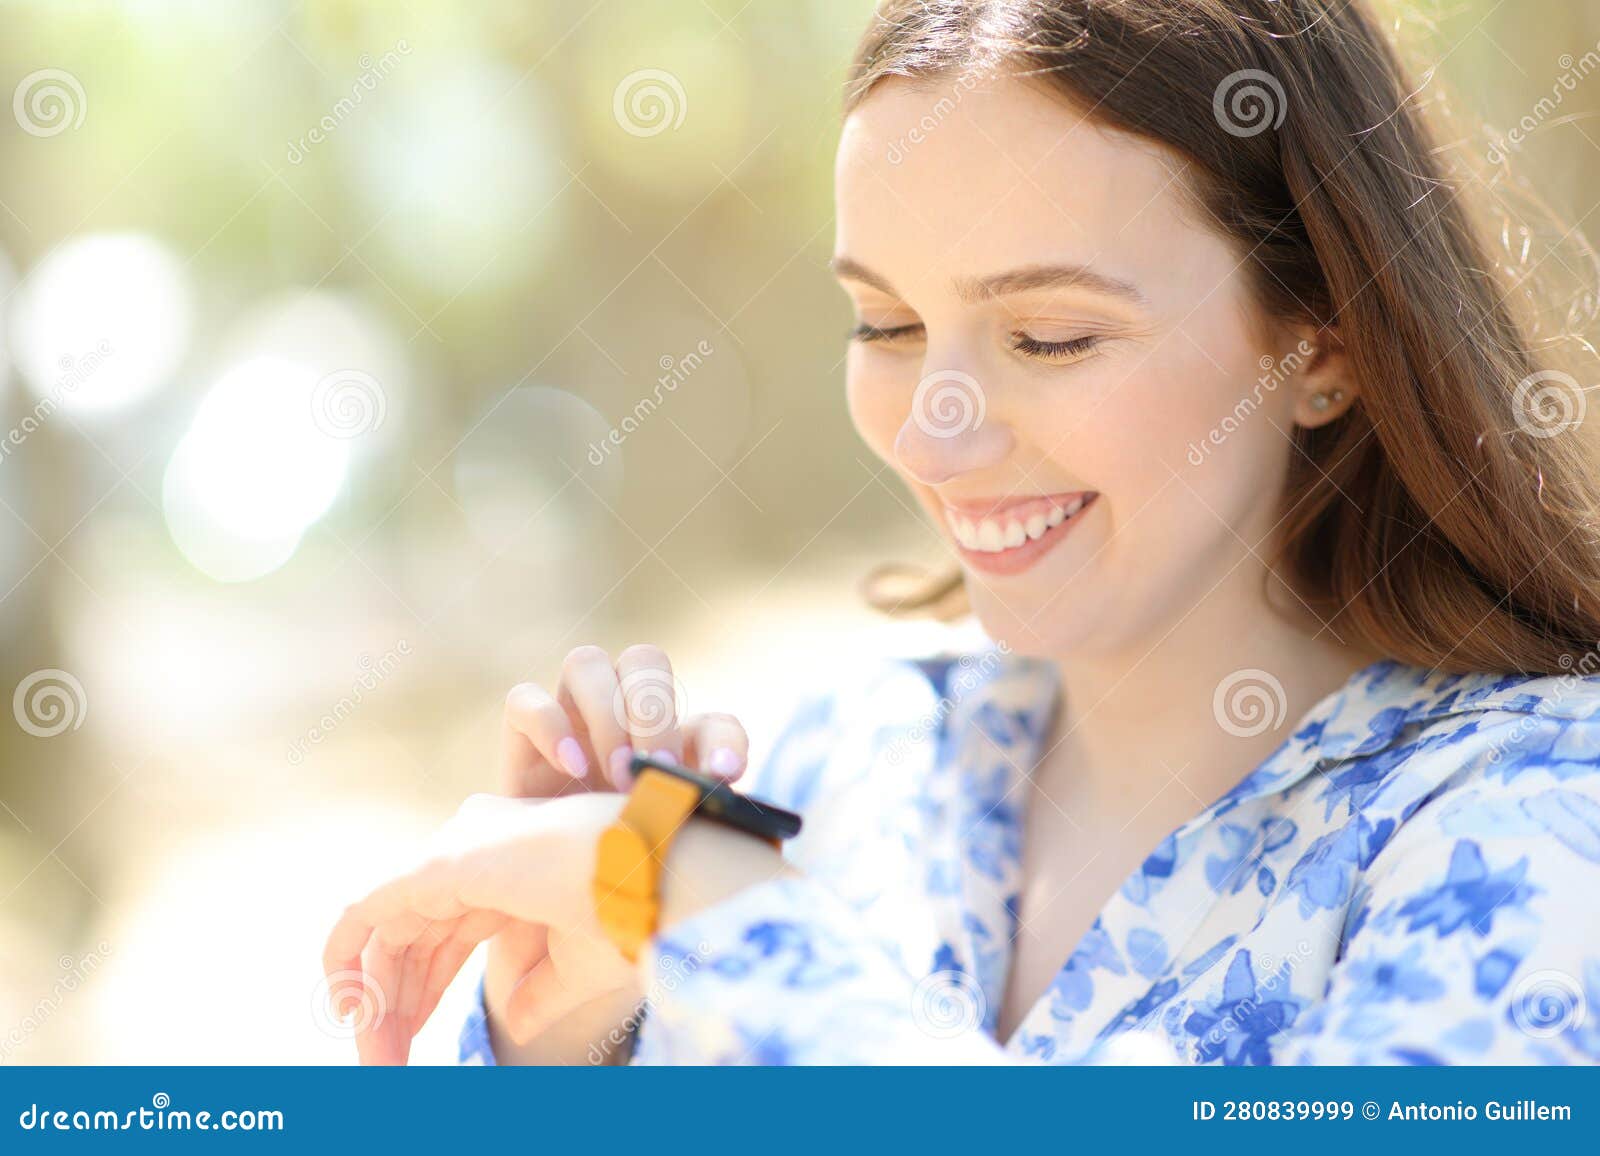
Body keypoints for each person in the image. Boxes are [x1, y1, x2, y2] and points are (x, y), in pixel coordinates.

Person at [323, 0, 1600, 1065]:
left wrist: (714, 907)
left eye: (1050, 337)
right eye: (885, 326)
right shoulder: (848, 765)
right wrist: (581, 1022)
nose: (932, 440)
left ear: (1321, 343)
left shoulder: (1536, 815)